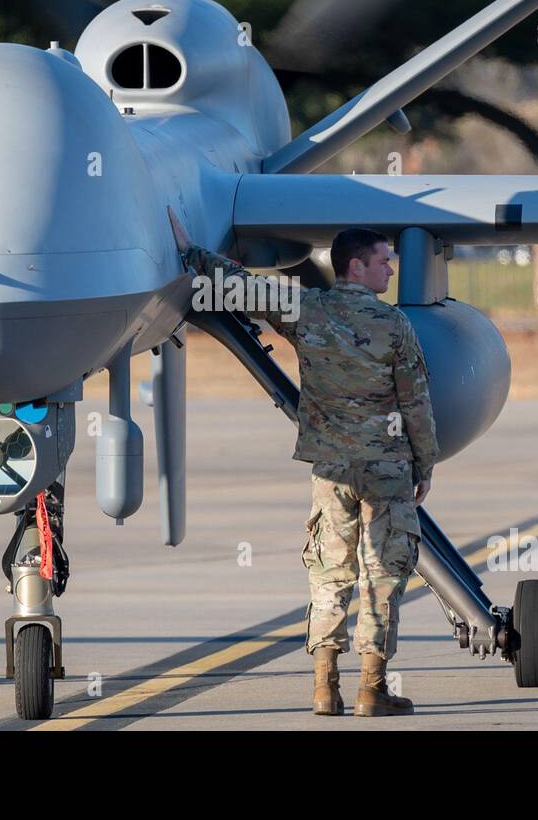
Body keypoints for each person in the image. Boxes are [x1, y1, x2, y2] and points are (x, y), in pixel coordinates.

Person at [167, 207, 438, 716]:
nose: (391, 270)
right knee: (381, 575)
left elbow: (243, 286)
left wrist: (192, 251)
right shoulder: (394, 324)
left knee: (330, 575)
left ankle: (323, 688)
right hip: (384, 472)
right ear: (355, 267)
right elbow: (416, 403)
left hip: (330, 471)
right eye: (383, 261)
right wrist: (425, 464)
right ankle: (371, 689)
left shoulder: (305, 309)